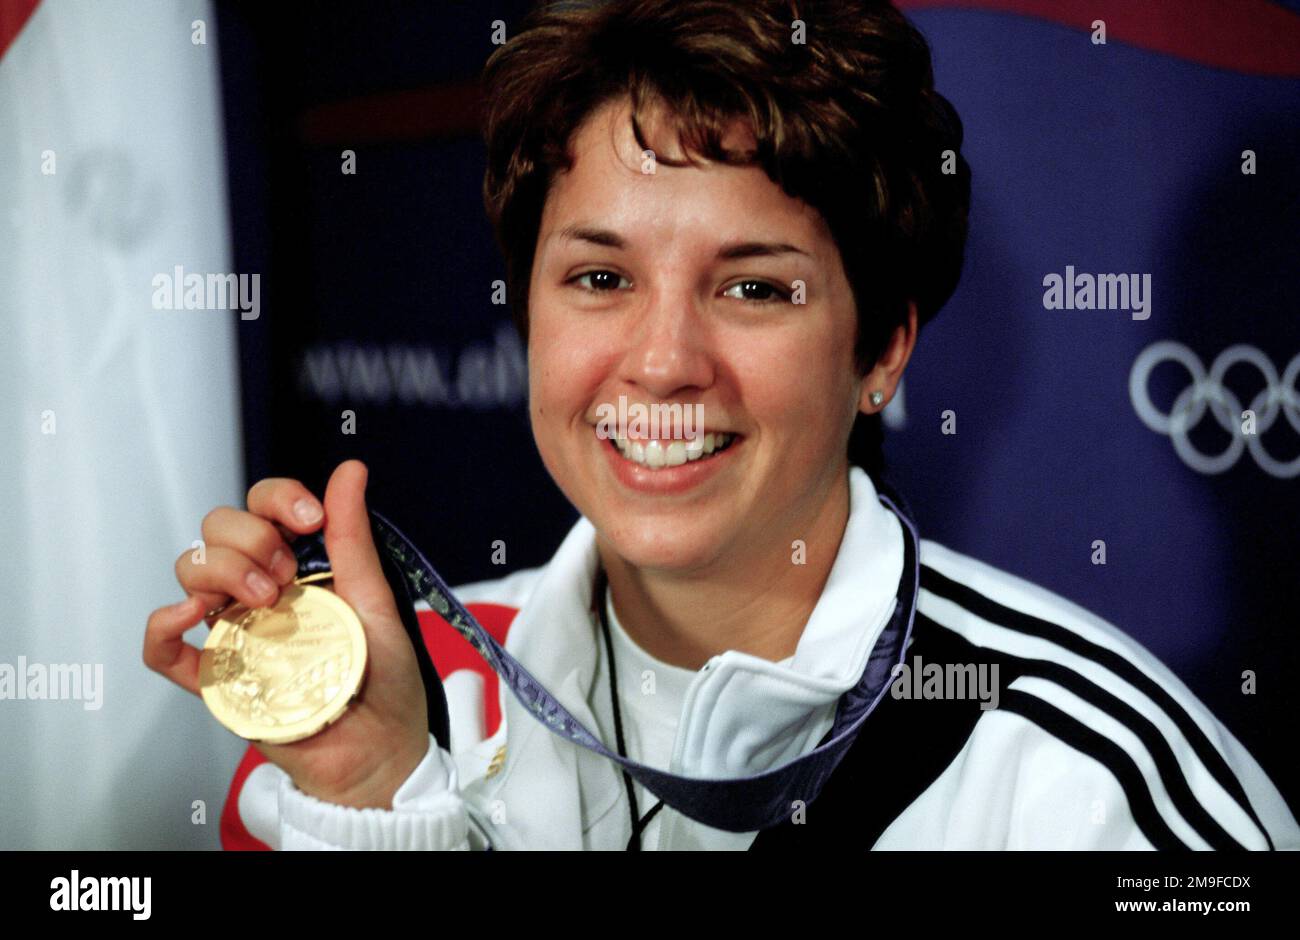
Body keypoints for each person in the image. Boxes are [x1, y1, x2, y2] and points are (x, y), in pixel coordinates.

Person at [145, 0, 1298, 850]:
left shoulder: (1094, 782)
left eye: (754, 287)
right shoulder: (396, 697)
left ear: (882, 349)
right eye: (599, 279)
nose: (659, 361)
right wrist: (376, 805)